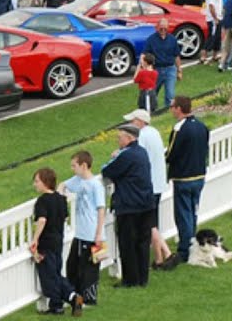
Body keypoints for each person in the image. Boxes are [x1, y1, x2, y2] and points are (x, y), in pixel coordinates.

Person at [100, 125, 155, 287]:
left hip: (130, 205)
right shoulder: (142, 152)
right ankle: (142, 278)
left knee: (128, 243)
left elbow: (107, 171)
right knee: (143, 242)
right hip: (146, 203)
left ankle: (130, 280)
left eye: (120, 137)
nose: (118, 140)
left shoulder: (127, 155)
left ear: (129, 138)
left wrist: (114, 158)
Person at [28, 167, 85, 317]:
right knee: (55, 273)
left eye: (37, 181)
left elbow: (42, 220)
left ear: (45, 182)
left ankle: (61, 304)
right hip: (58, 241)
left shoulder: (42, 201)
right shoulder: (61, 199)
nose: (35, 185)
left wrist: (35, 239)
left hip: (46, 243)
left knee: (49, 276)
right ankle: (68, 299)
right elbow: (64, 217)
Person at [163, 96, 209, 268]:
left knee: (183, 215)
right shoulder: (201, 126)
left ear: (179, 108)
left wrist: (165, 159)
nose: (171, 110)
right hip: (199, 176)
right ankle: (192, 242)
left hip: (183, 177)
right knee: (193, 211)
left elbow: (171, 152)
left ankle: (185, 249)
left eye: (172, 106)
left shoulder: (180, 128)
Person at [123, 109, 172, 269]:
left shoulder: (142, 136)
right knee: (151, 222)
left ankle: (165, 254)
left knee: (150, 224)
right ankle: (160, 257)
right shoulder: (154, 132)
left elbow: (134, 154)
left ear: (140, 122)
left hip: (149, 185)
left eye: (133, 121)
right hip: (158, 183)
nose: (131, 124)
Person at [62, 151, 105, 305]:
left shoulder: (95, 185)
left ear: (84, 165)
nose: (72, 169)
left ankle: (89, 298)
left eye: (74, 166)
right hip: (81, 234)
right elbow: (64, 185)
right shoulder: (78, 180)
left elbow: (101, 209)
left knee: (90, 268)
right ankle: (75, 296)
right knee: (72, 265)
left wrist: (99, 235)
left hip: (93, 234)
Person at [143, 19, 182, 108]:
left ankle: (168, 112)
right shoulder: (151, 39)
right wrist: (146, 69)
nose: (163, 30)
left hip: (170, 69)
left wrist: (179, 70)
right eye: (161, 28)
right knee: (152, 93)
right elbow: (145, 55)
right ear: (157, 27)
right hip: (156, 70)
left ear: (168, 28)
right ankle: (151, 111)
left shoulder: (172, 39)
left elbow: (176, 55)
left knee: (170, 94)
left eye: (165, 28)